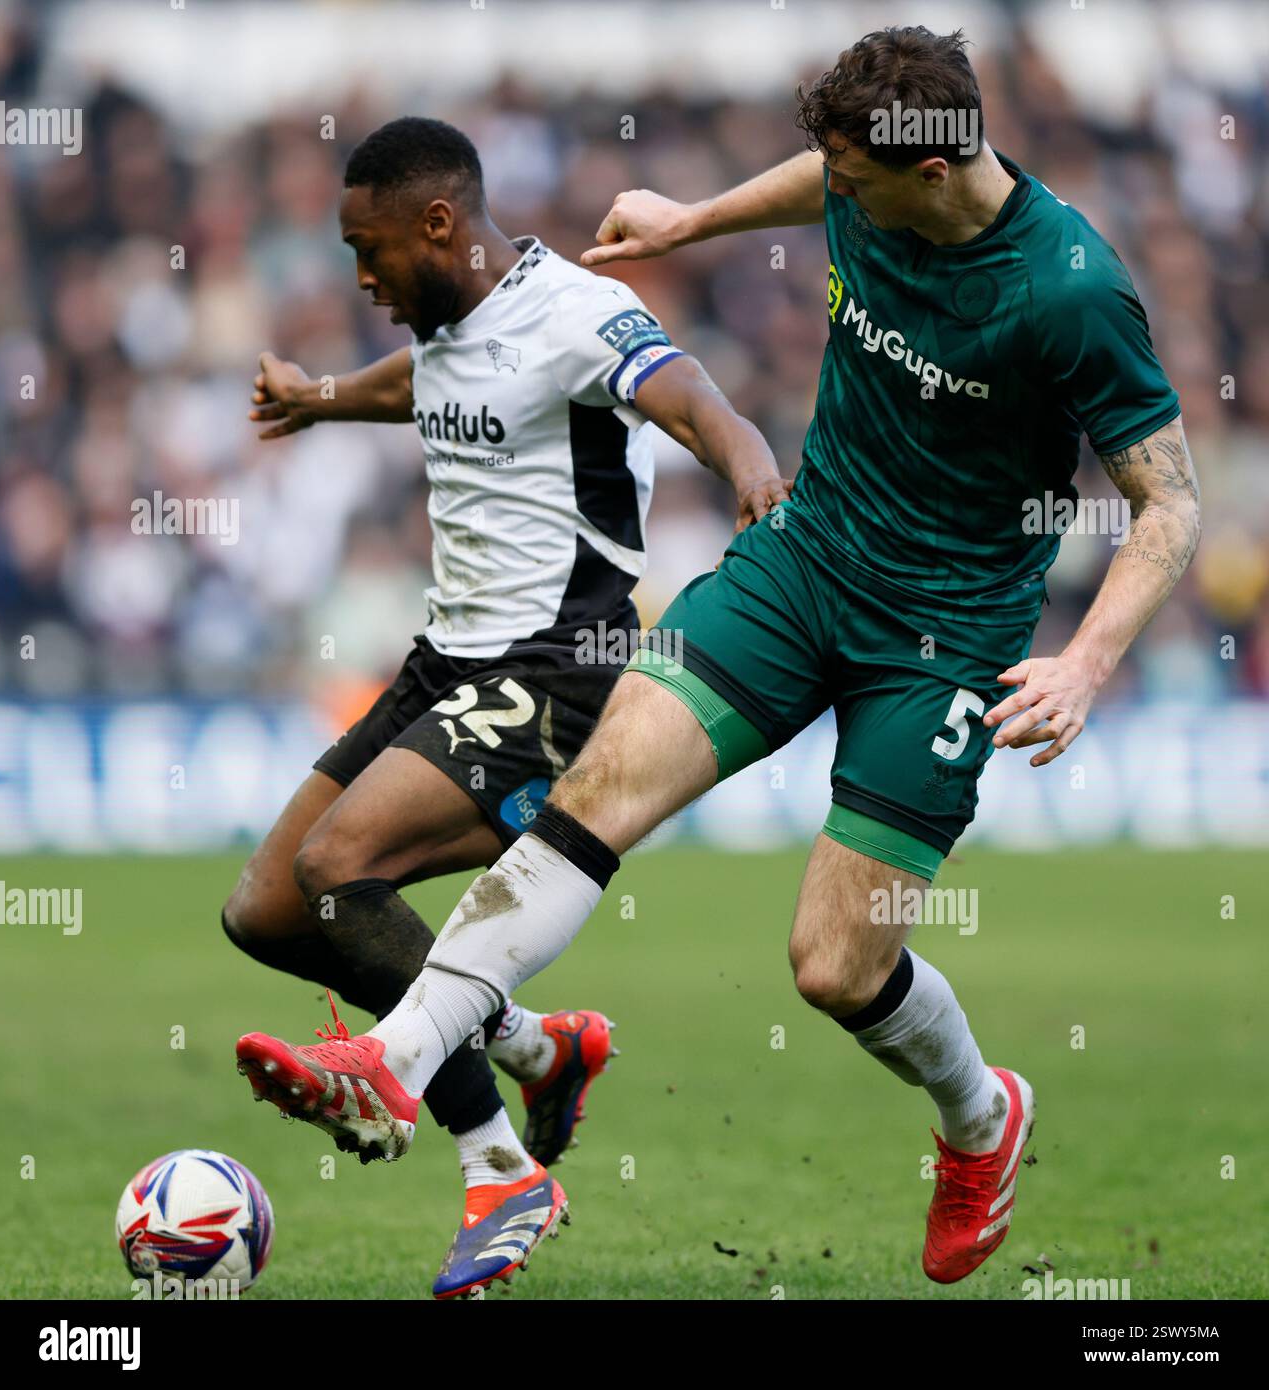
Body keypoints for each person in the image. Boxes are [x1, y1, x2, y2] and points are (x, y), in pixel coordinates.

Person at [237, 29, 1200, 1288]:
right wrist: (691, 219)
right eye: (830, 172)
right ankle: (401, 1059)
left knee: (833, 967)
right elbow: (819, 176)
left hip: (945, 636)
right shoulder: (872, 175)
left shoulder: (1068, 292)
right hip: (800, 561)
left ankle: (980, 1116)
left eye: (850, 180)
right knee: (599, 791)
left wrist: (1082, 663)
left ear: (929, 170)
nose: (833, 194)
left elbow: (1168, 502)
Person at [227, 116, 790, 1298]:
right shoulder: (441, 322)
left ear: (438, 223)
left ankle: (498, 1168)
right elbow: (424, 383)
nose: (361, 277)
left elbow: (689, 393)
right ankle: (537, 1045)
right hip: (446, 663)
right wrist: (322, 398)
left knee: (341, 866)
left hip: (558, 667)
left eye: (369, 250)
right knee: (269, 910)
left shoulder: (575, 312)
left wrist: (746, 464)